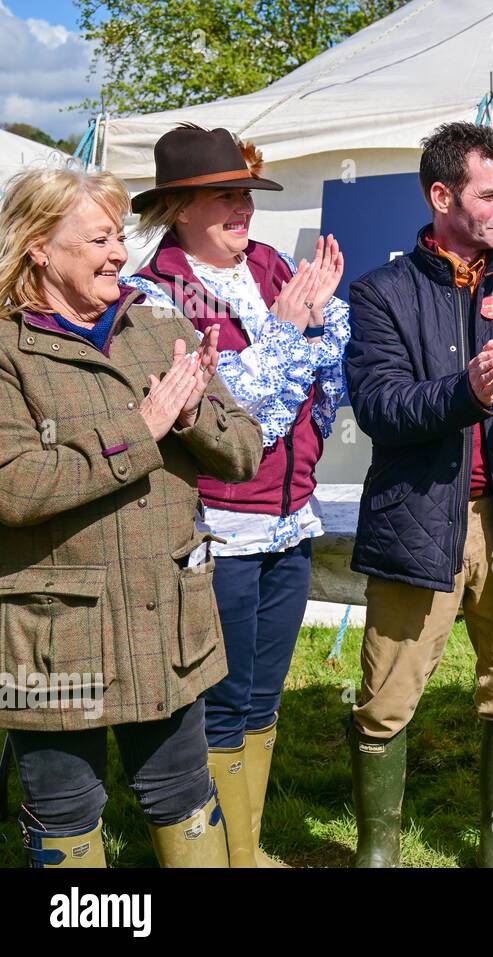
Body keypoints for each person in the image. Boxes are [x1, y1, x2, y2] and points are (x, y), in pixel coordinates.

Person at [344, 122, 493, 868]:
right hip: (418, 520)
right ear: (442, 194)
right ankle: (379, 844)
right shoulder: (381, 290)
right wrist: (464, 393)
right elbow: (379, 405)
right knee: (387, 698)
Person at [0, 166, 262, 867]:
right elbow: (13, 486)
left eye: (119, 237)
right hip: (54, 634)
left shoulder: (160, 323)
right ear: (38, 247)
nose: (119, 253)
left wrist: (191, 412)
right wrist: (139, 429)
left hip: (162, 619)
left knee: (182, 794)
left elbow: (244, 450)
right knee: (64, 811)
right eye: (98, 239)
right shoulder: (5, 349)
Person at [122, 125, 350, 867]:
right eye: (226, 196)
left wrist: (314, 326)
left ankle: (242, 848)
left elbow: (320, 378)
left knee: (263, 698)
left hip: (288, 514)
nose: (244, 210)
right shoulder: (155, 295)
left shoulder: (270, 265)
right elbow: (224, 405)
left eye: (247, 195)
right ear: (180, 207)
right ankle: (225, 857)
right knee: (222, 700)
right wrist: (290, 332)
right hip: (217, 521)